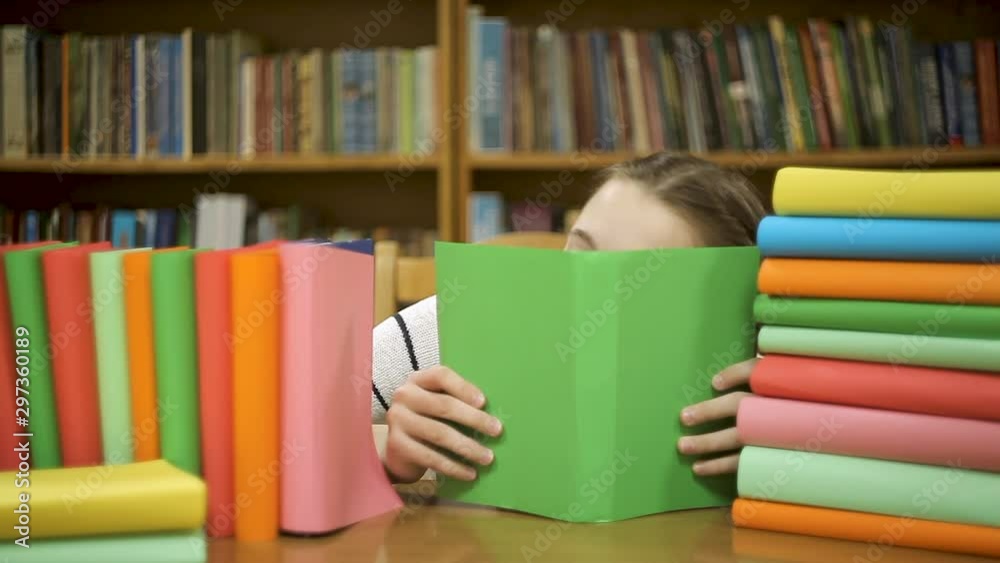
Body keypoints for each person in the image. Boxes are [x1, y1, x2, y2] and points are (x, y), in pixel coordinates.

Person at [370, 152, 766, 484]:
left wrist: (785, 433)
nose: (590, 303)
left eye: (635, 287)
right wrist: (389, 454)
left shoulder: (769, 377)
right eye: (579, 255)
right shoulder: (454, 324)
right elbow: (309, 432)